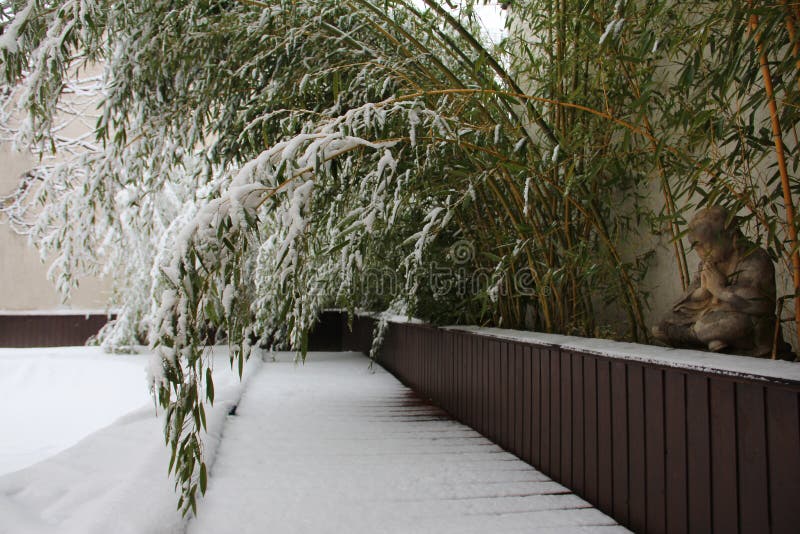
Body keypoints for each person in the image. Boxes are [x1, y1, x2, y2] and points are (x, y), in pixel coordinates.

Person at [652, 206, 786, 358]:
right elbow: (687, 298)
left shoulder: (755, 258)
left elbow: (762, 305)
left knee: (726, 325)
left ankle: (703, 337)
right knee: (661, 327)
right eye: (698, 249)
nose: (702, 254)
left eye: (707, 247)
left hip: (744, 323)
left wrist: (720, 290)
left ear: (732, 237)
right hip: (710, 316)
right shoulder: (708, 263)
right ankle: (708, 339)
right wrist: (701, 292)